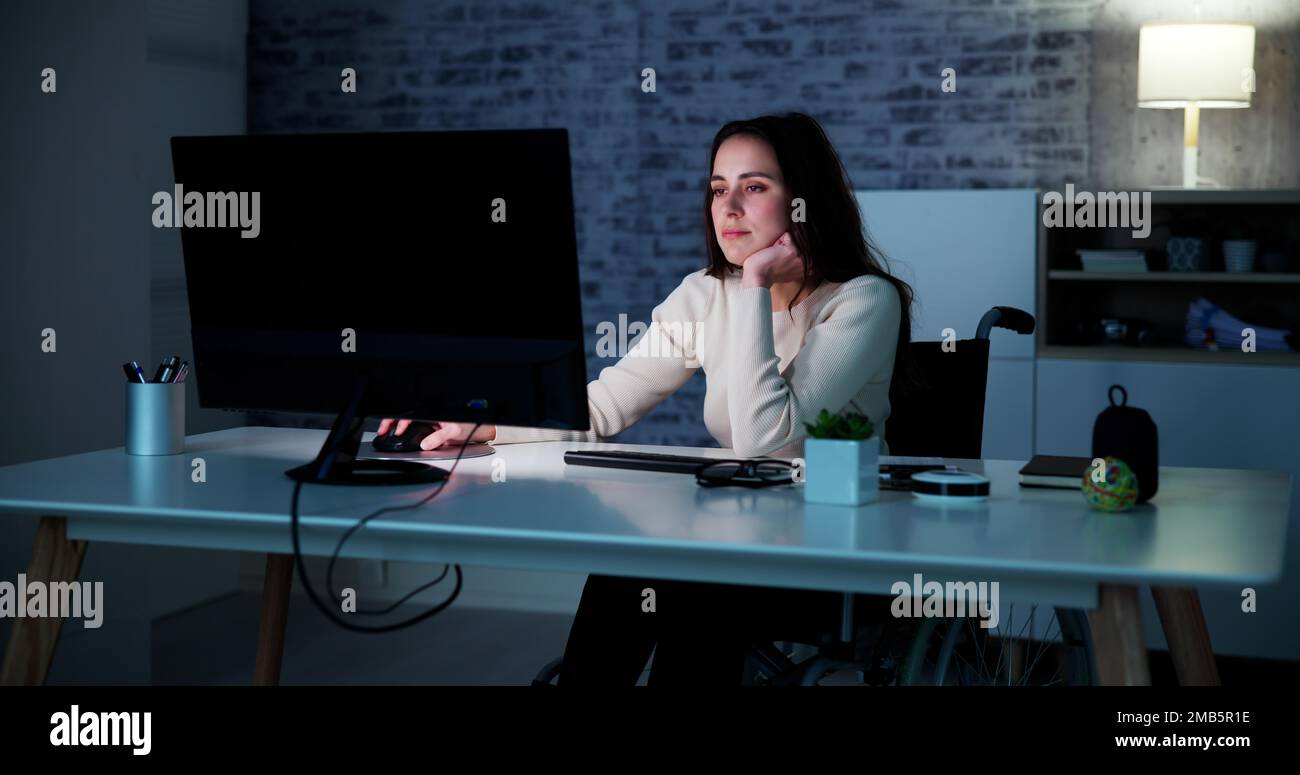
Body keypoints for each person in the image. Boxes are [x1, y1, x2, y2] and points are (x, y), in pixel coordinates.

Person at [377, 112, 916, 685]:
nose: (728, 208)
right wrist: (483, 426)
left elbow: (766, 437)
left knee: (688, 582)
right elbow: (605, 408)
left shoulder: (862, 301)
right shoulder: (707, 294)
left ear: (804, 200)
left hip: (827, 551)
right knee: (628, 562)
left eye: (754, 187)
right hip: (734, 536)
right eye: (717, 189)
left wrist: (757, 286)